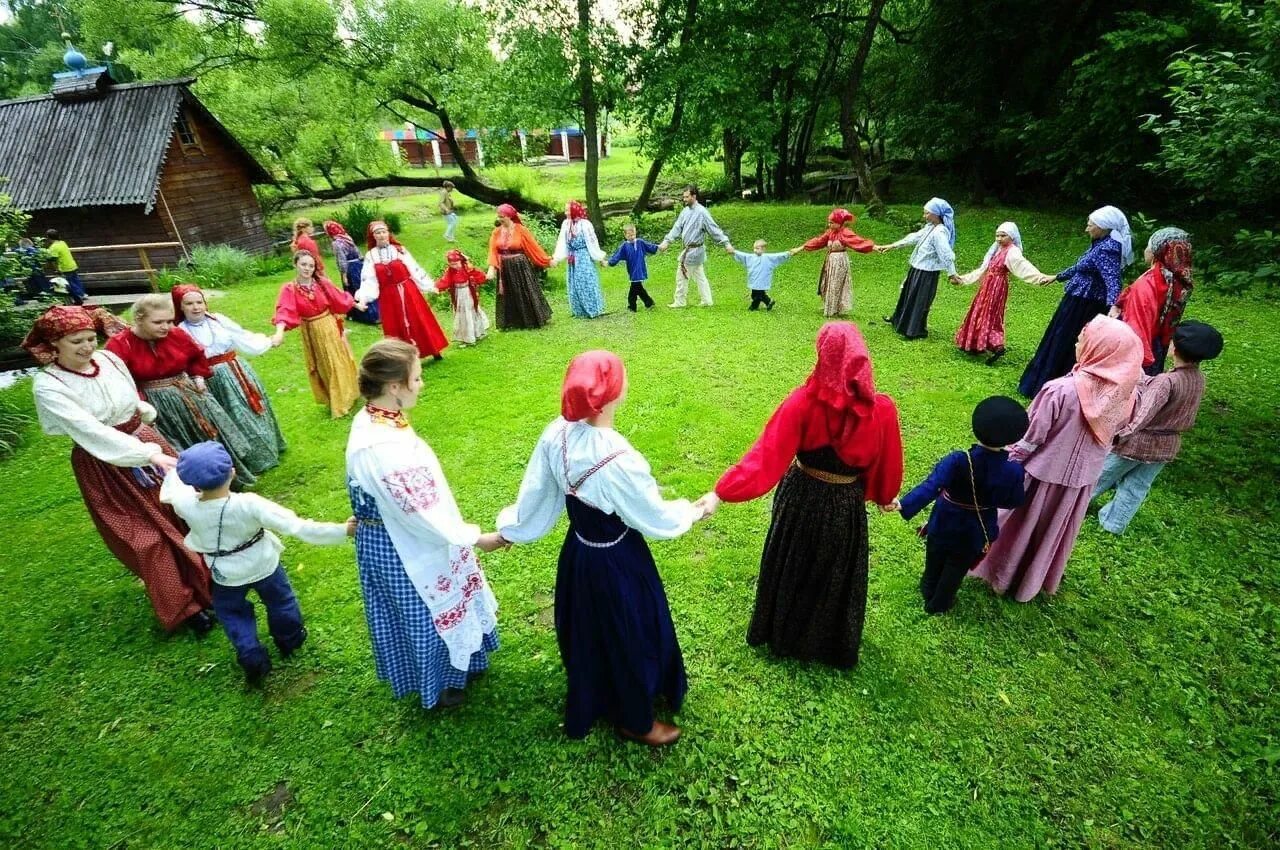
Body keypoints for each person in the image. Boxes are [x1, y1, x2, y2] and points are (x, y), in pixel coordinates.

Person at [497, 351, 709, 745]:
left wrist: (513, 531)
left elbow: (537, 495)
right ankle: (636, 721)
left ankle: (595, 692)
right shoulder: (618, 459)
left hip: (579, 554)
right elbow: (654, 517)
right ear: (612, 393)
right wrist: (692, 512)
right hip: (617, 560)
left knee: (590, 628)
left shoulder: (556, 433)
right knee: (629, 632)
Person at [698, 323, 904, 668]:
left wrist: (721, 493)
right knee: (834, 567)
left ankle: (784, 631)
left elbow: (765, 457)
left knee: (794, 559)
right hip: (845, 503)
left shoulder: (802, 402)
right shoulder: (882, 410)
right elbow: (887, 462)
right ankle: (823, 639)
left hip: (801, 497)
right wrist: (885, 495)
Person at [23, 305, 214, 635]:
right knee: (146, 538)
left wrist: (144, 417)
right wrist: (147, 454)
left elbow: (129, 394)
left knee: (179, 513)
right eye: (76, 342)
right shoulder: (49, 384)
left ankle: (208, 583)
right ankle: (184, 607)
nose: (87, 347)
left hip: (145, 441)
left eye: (89, 338)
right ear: (54, 344)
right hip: (106, 463)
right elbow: (90, 430)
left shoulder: (109, 360)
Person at [346, 340, 505, 709]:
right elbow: (416, 511)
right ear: (394, 386)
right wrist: (474, 538)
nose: (421, 384)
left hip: (417, 529)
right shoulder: (377, 446)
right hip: (400, 543)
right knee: (424, 610)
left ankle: (466, 663)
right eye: (416, 378)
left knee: (451, 594)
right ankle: (443, 683)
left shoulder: (381, 418)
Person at [972, 316, 1142, 601]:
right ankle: (1032, 579)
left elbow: (1031, 436)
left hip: (1040, 475)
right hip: (1080, 482)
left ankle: (1001, 572)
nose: (1077, 341)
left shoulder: (1060, 390)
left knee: (1020, 525)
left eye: (1084, 337)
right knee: (1052, 529)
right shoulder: (1126, 396)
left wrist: (1006, 463)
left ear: (1101, 349)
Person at [161, 442, 354, 683]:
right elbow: (296, 526)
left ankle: (251, 655)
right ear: (232, 472)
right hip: (263, 565)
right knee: (281, 601)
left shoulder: (184, 504)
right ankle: (290, 639)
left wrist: (170, 466)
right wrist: (342, 530)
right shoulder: (249, 504)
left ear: (192, 484)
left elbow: (171, 488)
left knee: (232, 613)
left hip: (225, 574)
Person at [888, 397, 1029, 614]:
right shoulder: (1014, 471)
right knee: (957, 567)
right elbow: (1014, 501)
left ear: (976, 427)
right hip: (977, 529)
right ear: (1014, 437)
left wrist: (903, 504)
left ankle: (928, 588)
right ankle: (939, 603)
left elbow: (931, 485)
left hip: (944, 520)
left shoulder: (957, 460)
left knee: (935, 555)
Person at [106, 293, 261, 487]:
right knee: (174, 442)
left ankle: (225, 478)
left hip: (188, 392)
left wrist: (198, 376)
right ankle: (191, 487)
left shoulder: (176, 334)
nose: (165, 327)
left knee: (208, 434)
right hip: (156, 404)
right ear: (139, 319)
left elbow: (196, 355)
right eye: (158, 322)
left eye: (169, 321)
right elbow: (120, 380)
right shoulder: (120, 344)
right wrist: (141, 406)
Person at [1092, 320, 1223, 534]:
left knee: (1102, 473)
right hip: (1167, 446)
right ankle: (1113, 524)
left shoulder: (1167, 381)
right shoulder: (1198, 379)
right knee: (1137, 486)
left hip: (1138, 442)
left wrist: (1121, 435)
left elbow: (1143, 414)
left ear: (1174, 348)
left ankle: (1075, 504)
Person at [1018, 206, 1134, 398]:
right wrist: (1057, 277)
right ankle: (1044, 384)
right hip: (1077, 300)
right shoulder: (1100, 243)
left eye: (1090, 225)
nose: (1087, 229)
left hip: (1084, 305)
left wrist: (1113, 306)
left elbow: (1113, 281)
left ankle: (1054, 388)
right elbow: (1081, 266)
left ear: (1103, 227)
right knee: (1058, 339)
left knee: (1064, 342)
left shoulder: (1108, 249)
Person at [173, 284, 286, 474]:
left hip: (235, 371)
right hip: (207, 380)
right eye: (189, 304)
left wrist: (267, 342)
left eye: (199, 302)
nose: (196, 307)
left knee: (248, 412)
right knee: (228, 419)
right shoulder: (179, 331)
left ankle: (267, 451)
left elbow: (241, 336)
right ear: (181, 307)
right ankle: (245, 461)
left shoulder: (218, 320)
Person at [271, 250, 360, 418]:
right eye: (303, 264)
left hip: (328, 326)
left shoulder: (322, 283)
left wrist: (356, 305)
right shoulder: (290, 289)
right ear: (295, 264)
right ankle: (333, 397)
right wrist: (279, 333)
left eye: (311, 266)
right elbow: (284, 310)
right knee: (322, 364)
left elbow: (338, 297)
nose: (307, 268)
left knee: (335, 360)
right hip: (310, 330)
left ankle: (344, 399)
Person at [951, 221, 1051, 364]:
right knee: (980, 311)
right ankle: (976, 342)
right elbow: (983, 268)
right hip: (987, 285)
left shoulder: (1012, 251)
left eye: (1003, 235)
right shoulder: (997, 249)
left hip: (997, 287)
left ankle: (996, 344)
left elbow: (1023, 267)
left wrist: (1040, 278)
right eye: (997, 235)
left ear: (1012, 236)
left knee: (990, 314)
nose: (999, 239)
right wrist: (963, 279)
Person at [355, 221, 449, 360]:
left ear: (388, 233)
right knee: (395, 324)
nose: (381, 235)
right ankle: (403, 358)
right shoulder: (371, 256)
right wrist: (363, 299)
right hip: (388, 296)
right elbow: (368, 279)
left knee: (417, 319)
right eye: (378, 233)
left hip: (408, 291)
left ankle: (433, 349)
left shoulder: (399, 250)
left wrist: (429, 286)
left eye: (384, 232)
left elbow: (414, 268)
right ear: (373, 236)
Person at [1111, 227, 1194, 375]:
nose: (1146, 250)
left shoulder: (1150, 283)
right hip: (1160, 344)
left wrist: (1140, 365)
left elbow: (1137, 328)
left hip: (1142, 351)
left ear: (1158, 251)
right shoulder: (1179, 280)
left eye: (1148, 246)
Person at [876, 198, 957, 339]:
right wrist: (892, 246)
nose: (924, 216)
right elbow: (913, 237)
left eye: (927, 213)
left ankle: (914, 330)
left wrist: (952, 273)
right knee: (908, 295)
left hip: (927, 272)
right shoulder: (930, 227)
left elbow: (946, 254)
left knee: (920, 300)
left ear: (936, 214)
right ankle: (898, 320)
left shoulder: (940, 232)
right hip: (917, 268)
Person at [658, 185, 731, 308]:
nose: (684, 199)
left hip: (694, 251)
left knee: (681, 276)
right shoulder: (685, 211)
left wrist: (726, 243)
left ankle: (680, 302)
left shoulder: (702, 212)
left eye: (687, 197)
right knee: (700, 276)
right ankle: (707, 301)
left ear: (694, 196)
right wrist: (667, 241)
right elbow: (677, 227)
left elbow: (714, 229)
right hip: (691, 251)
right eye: (684, 197)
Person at [795, 208, 876, 317]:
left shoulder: (845, 233)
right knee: (828, 283)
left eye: (832, 223)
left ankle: (835, 308)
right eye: (829, 222)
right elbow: (818, 241)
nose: (829, 225)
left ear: (839, 223)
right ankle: (828, 305)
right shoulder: (830, 233)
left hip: (839, 262)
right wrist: (802, 247)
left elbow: (858, 242)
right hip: (830, 261)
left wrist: (874, 247)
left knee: (836, 284)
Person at [486, 204, 554, 330]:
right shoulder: (496, 232)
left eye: (502, 216)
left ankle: (531, 320)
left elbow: (533, 247)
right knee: (508, 295)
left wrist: (546, 260)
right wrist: (492, 268)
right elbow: (493, 251)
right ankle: (511, 322)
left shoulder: (521, 230)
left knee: (524, 292)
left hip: (520, 266)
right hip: (504, 267)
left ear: (509, 216)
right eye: (498, 216)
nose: (499, 219)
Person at [551, 200, 608, 318]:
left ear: (574, 211)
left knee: (586, 282)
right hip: (572, 258)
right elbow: (562, 242)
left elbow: (592, 242)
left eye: (567, 210)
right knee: (574, 283)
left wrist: (600, 258)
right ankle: (579, 311)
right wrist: (557, 258)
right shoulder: (566, 224)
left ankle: (593, 309)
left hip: (584, 257)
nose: (565, 212)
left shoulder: (585, 224)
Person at [323, 220, 379, 325]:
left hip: (350, 268)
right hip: (359, 265)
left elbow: (342, 260)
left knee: (353, 290)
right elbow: (358, 252)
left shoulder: (336, 243)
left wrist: (344, 275)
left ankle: (365, 315)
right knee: (364, 288)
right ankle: (376, 312)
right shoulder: (347, 237)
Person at [434, 249, 489, 346]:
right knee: (463, 315)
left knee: (471, 312)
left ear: (461, 261)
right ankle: (467, 337)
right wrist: (435, 287)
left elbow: (480, 277)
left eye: (456, 263)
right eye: (452, 264)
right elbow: (444, 281)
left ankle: (477, 333)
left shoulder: (468, 268)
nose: (454, 266)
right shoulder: (450, 271)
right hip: (458, 296)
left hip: (469, 294)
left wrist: (475, 274)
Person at [727, 239, 798, 311]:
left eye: (757, 248)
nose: (755, 250)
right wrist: (734, 252)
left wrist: (789, 253)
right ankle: (767, 302)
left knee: (758, 294)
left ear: (763, 249)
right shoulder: (751, 257)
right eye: (754, 248)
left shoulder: (768, 258)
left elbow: (778, 256)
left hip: (762, 280)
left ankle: (755, 306)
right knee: (756, 294)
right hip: (754, 279)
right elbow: (743, 255)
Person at [607, 222, 658, 312]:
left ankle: (632, 307)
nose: (632, 237)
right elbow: (617, 256)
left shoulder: (640, 242)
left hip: (640, 269)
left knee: (634, 289)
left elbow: (650, 247)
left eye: (633, 234)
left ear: (635, 233)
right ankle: (649, 303)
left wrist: (659, 247)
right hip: (632, 270)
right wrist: (609, 262)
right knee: (638, 288)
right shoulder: (624, 246)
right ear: (625, 235)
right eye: (629, 235)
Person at [44, 229, 85, 304]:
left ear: (48, 237)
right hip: (72, 264)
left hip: (64, 267)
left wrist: (56, 270)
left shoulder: (53, 247)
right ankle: (82, 294)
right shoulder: (63, 243)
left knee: (69, 283)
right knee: (76, 281)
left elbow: (53, 260)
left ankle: (78, 297)